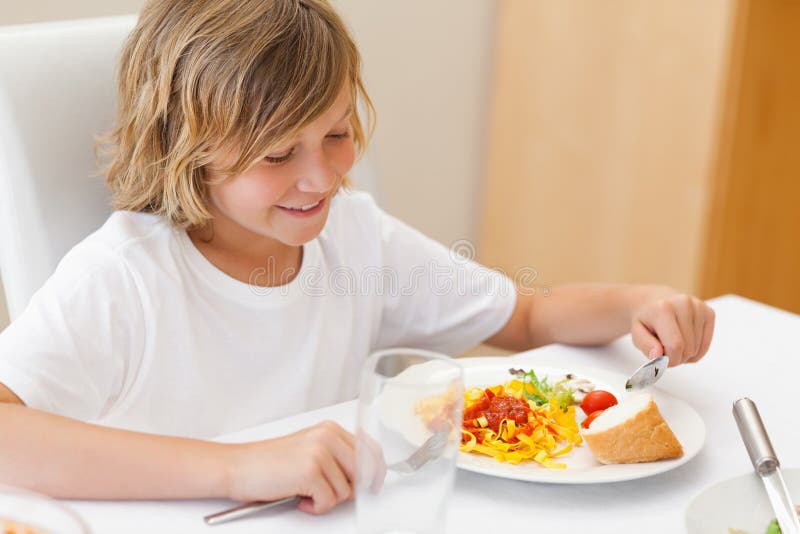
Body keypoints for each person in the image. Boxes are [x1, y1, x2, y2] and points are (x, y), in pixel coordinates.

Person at [0, 0, 714, 515]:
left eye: (337, 134)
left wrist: (635, 304)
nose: (321, 178)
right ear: (185, 151)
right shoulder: (124, 278)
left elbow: (528, 315)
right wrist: (238, 467)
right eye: (278, 154)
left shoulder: (356, 237)